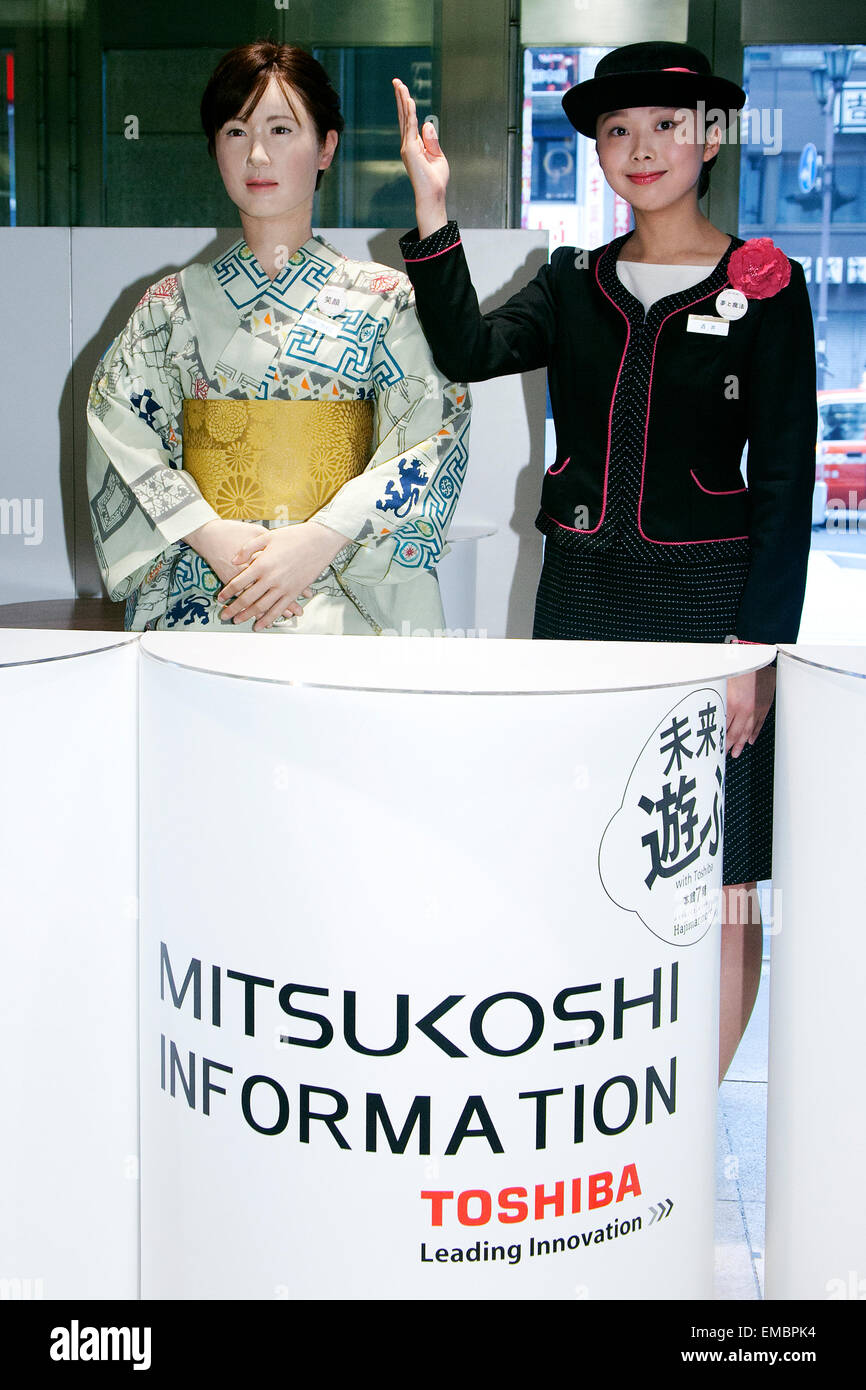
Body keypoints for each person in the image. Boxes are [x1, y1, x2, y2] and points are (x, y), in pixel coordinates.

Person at [393, 42, 817, 1080]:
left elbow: (783, 483)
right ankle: (605, 1082)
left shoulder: (766, 286)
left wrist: (751, 649)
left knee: (717, 878)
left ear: (709, 137)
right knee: (587, 847)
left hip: (711, 609)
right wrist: (433, 209)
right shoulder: (574, 282)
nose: (639, 149)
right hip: (581, 601)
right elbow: (466, 354)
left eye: (665, 127)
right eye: (616, 131)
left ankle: (693, 1101)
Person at [87, 40, 470, 636]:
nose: (257, 154)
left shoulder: (388, 302)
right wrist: (207, 533)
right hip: (208, 589)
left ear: (326, 147)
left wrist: (317, 540)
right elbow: (119, 432)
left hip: (341, 599)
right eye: (236, 132)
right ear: (215, 147)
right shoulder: (169, 309)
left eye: (282, 129)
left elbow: (433, 435)